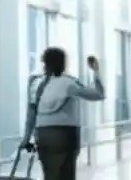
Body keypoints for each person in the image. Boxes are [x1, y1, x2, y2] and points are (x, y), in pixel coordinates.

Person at [23, 49, 105, 180]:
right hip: (66, 135)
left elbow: (31, 112)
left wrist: (26, 138)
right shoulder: (70, 83)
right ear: (63, 63)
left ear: (45, 62)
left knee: (50, 173)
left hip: (44, 135)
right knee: (67, 174)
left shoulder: (36, 83)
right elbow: (99, 94)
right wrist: (96, 72)